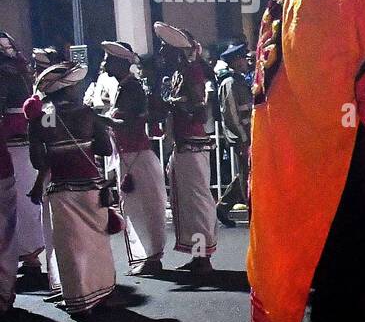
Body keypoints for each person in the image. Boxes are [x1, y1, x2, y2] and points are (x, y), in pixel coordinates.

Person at [28, 62, 117, 317]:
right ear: (66, 89)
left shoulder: (39, 118)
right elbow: (105, 149)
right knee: (97, 243)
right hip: (91, 188)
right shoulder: (87, 113)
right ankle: (104, 293)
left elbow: (38, 161)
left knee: (71, 248)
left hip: (61, 190)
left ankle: (79, 301)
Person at [155, 22, 217, 271]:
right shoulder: (181, 73)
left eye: (164, 48)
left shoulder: (192, 72)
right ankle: (198, 255)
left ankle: (203, 258)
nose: (160, 52)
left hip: (192, 144)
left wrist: (174, 104)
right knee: (190, 203)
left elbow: (200, 113)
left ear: (176, 50)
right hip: (184, 143)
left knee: (198, 202)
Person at [100, 41, 166, 276]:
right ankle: (146, 256)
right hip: (128, 157)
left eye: (108, 59)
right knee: (134, 207)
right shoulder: (123, 87)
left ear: (119, 62)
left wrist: (100, 120)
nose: (104, 63)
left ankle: (151, 257)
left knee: (144, 207)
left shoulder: (132, 89)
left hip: (136, 157)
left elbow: (128, 124)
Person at [0, 35, 44, 276]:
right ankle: (28, 255)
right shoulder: (22, 71)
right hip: (21, 144)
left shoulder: (7, 73)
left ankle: (25, 254)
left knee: (15, 202)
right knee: (24, 202)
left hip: (11, 144)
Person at [216, 43, 253, 228]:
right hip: (243, 137)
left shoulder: (240, 80)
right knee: (247, 176)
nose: (245, 61)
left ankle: (223, 206)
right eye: (242, 58)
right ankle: (252, 211)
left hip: (250, 135)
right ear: (235, 61)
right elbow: (231, 114)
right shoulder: (229, 82)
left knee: (246, 174)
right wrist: (243, 139)